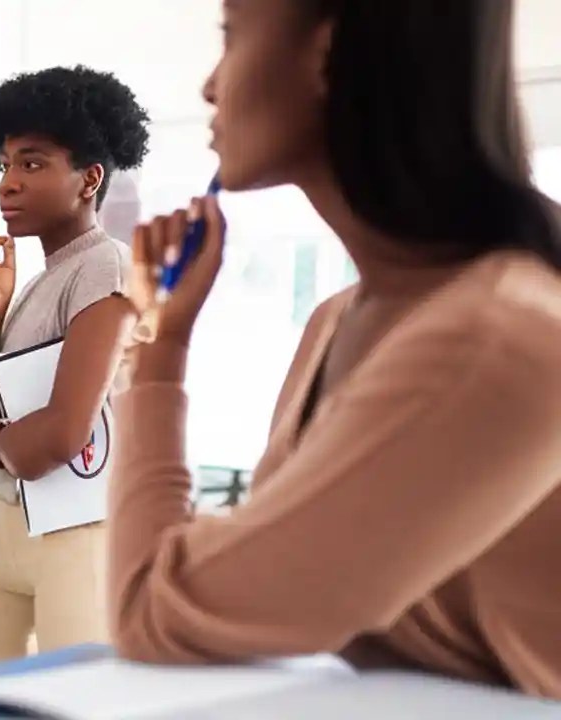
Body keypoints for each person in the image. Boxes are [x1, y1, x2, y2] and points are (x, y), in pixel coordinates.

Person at [110, 0, 561, 700]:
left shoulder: (495, 338)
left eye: (231, 37)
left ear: (327, 55)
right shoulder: (336, 320)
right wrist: (162, 333)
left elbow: (152, 610)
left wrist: (161, 350)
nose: (208, 85)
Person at [0, 65, 150, 668]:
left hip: (78, 540)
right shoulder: (40, 282)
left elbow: (60, 436)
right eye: (5, 164)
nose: (8, 183)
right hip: (11, 534)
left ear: (89, 179)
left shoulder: (104, 266)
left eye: (32, 164)